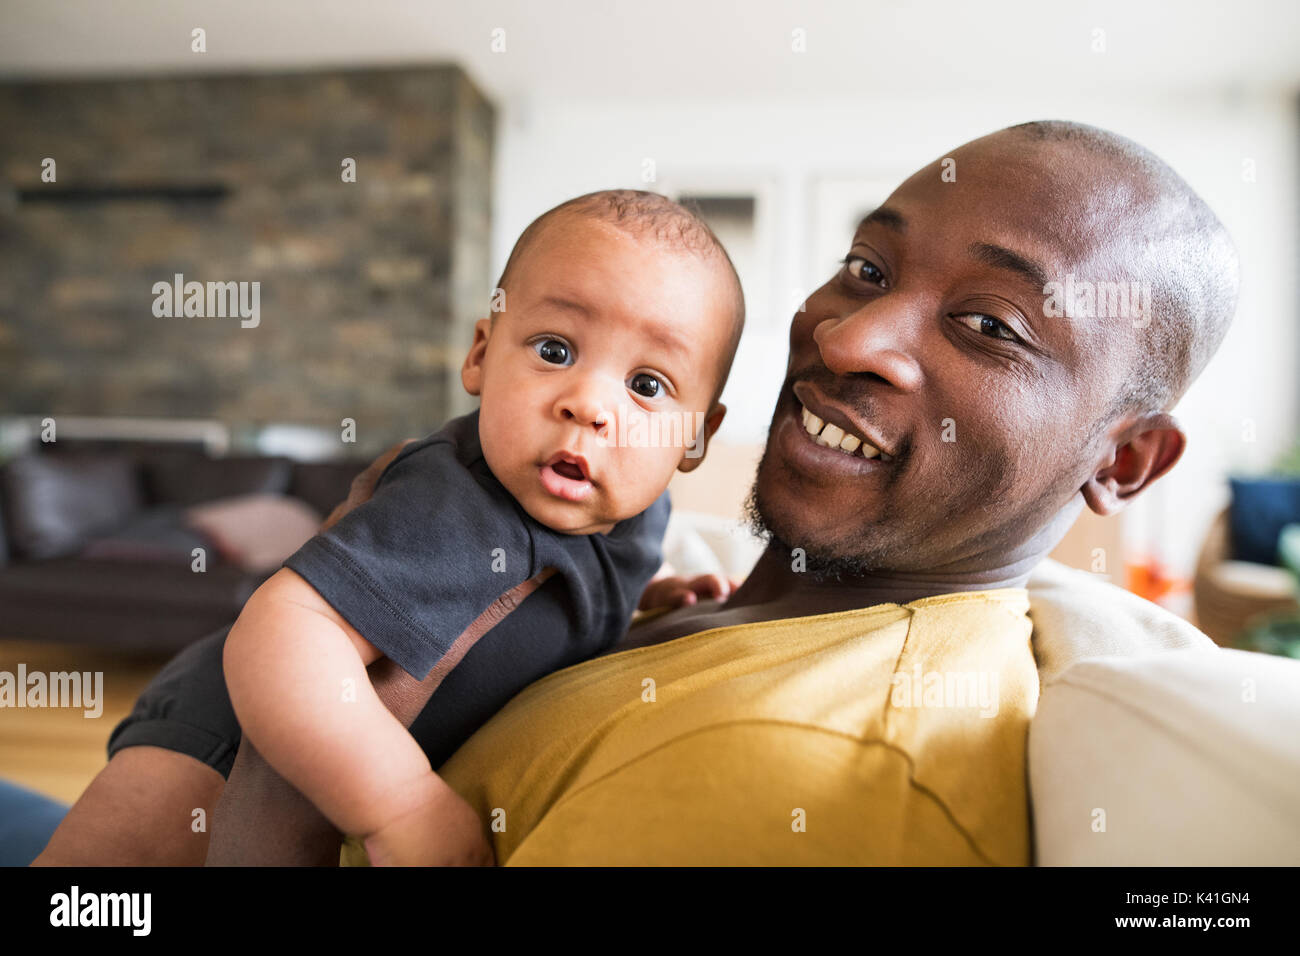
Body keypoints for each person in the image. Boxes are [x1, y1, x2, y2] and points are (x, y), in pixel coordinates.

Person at [34, 119, 1237, 866]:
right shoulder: (638, 542)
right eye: (865, 266)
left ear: (1121, 461)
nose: (854, 329)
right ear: (480, 352)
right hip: (191, 742)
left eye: (990, 323)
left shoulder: (816, 754)